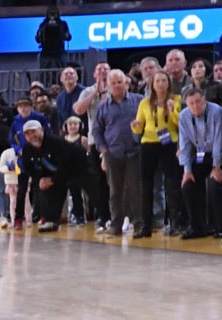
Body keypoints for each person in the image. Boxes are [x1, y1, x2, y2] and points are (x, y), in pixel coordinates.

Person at [92, 68, 142, 238]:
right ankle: (115, 225)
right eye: (113, 83)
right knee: (115, 191)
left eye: (120, 81)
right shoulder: (102, 106)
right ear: (108, 85)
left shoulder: (139, 101)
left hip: (135, 151)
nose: (117, 85)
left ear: (126, 82)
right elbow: (97, 130)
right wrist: (103, 150)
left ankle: (139, 224)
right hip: (113, 153)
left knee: (136, 190)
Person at [16, 118, 89, 231]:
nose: (31, 136)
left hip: (79, 167)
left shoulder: (55, 142)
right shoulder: (27, 149)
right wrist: (40, 179)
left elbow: (65, 164)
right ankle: (51, 220)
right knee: (44, 188)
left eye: (33, 131)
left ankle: (102, 218)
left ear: (42, 130)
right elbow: (29, 168)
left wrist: (53, 180)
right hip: (56, 172)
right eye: (27, 133)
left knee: (85, 190)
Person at [133, 69, 182, 237]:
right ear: (152, 85)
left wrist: (171, 111)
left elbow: (178, 123)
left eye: (163, 80)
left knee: (171, 184)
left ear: (169, 83)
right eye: (157, 81)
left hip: (169, 143)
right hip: (148, 144)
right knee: (146, 185)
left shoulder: (176, 99)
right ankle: (146, 226)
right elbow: (139, 126)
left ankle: (174, 223)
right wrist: (136, 125)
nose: (160, 84)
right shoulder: (145, 103)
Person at [176, 86, 222, 239]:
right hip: (201, 154)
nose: (195, 106)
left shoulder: (216, 111)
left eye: (198, 102)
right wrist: (187, 170)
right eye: (191, 103)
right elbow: (185, 145)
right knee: (188, 185)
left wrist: (217, 166)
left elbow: (220, 140)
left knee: (214, 183)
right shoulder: (184, 116)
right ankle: (197, 227)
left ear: (204, 100)